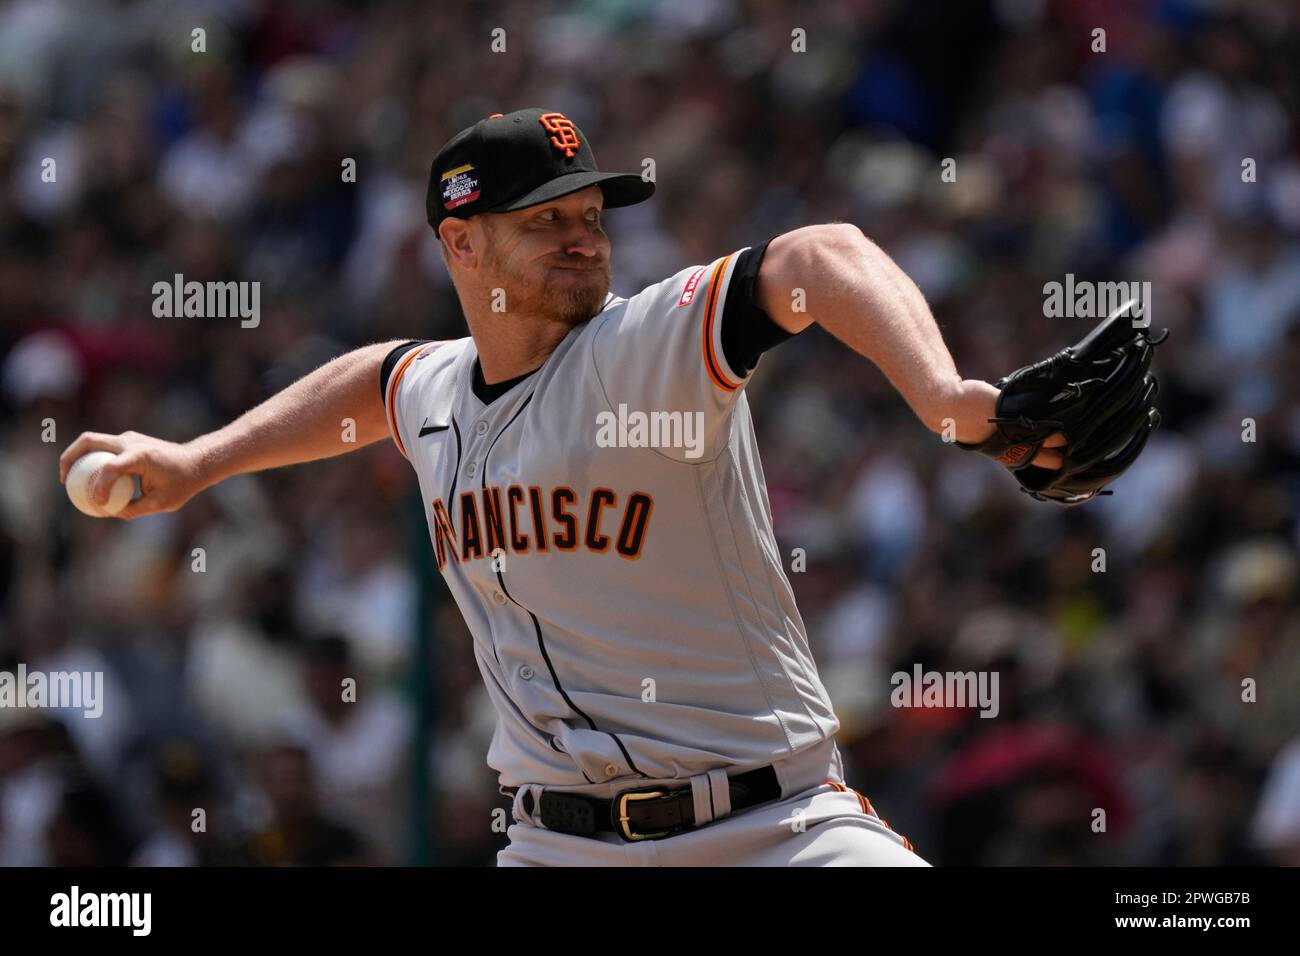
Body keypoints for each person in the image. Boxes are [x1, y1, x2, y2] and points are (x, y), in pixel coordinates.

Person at [60, 107, 1069, 866]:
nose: (585, 235)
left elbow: (822, 255)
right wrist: (199, 462)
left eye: (592, 212)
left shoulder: (647, 343)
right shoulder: (437, 389)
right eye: (547, 220)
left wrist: (948, 398)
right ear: (463, 244)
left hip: (774, 828)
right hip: (560, 844)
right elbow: (371, 383)